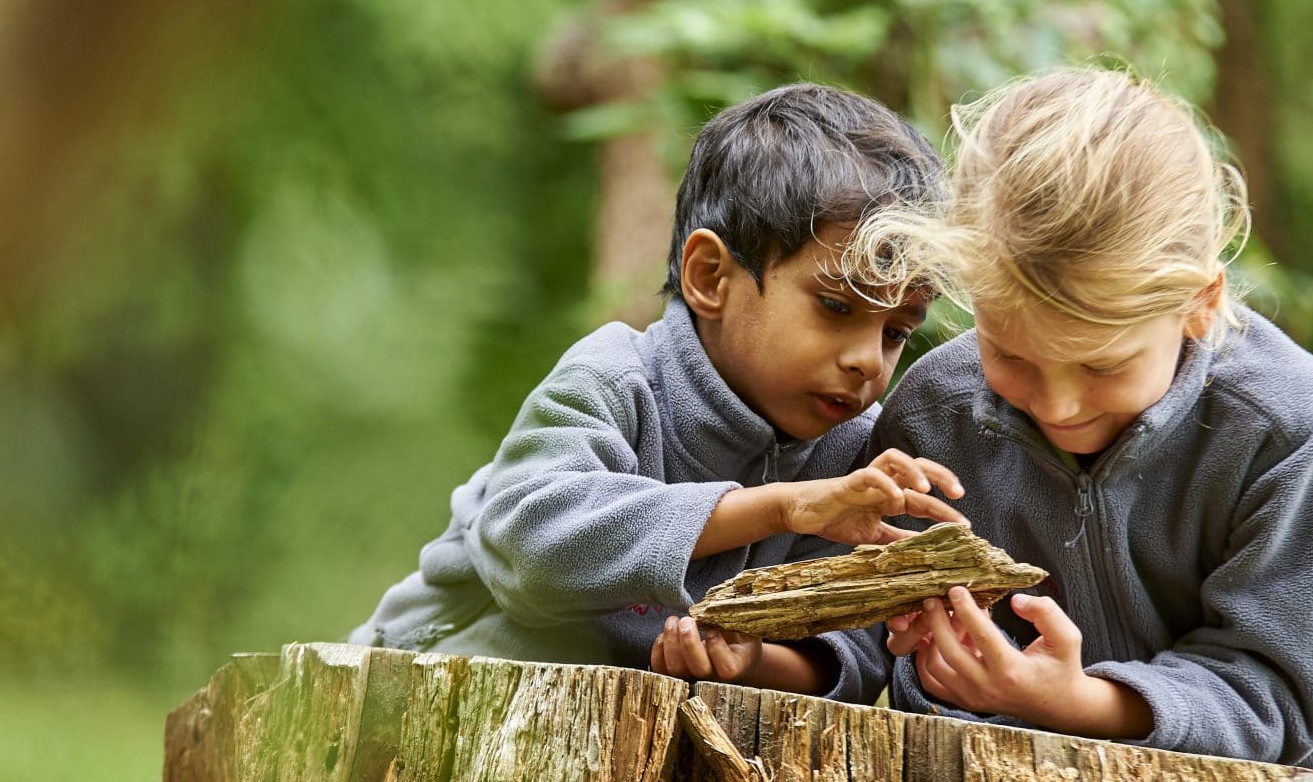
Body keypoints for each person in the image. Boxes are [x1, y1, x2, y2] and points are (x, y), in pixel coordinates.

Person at [862, 68, 1313, 778]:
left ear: (1200, 303)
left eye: (1102, 367)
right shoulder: (932, 417)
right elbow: (888, 638)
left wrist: (1088, 703)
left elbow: (1279, 698)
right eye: (1010, 355)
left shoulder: (1290, 430)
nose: (1058, 405)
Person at [349, 83, 963, 703]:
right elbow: (530, 547)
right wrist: (778, 507)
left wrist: (749, 659)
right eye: (835, 307)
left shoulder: (852, 452)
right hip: (423, 697)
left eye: (894, 333)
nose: (866, 361)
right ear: (710, 278)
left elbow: (857, 653)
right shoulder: (616, 378)